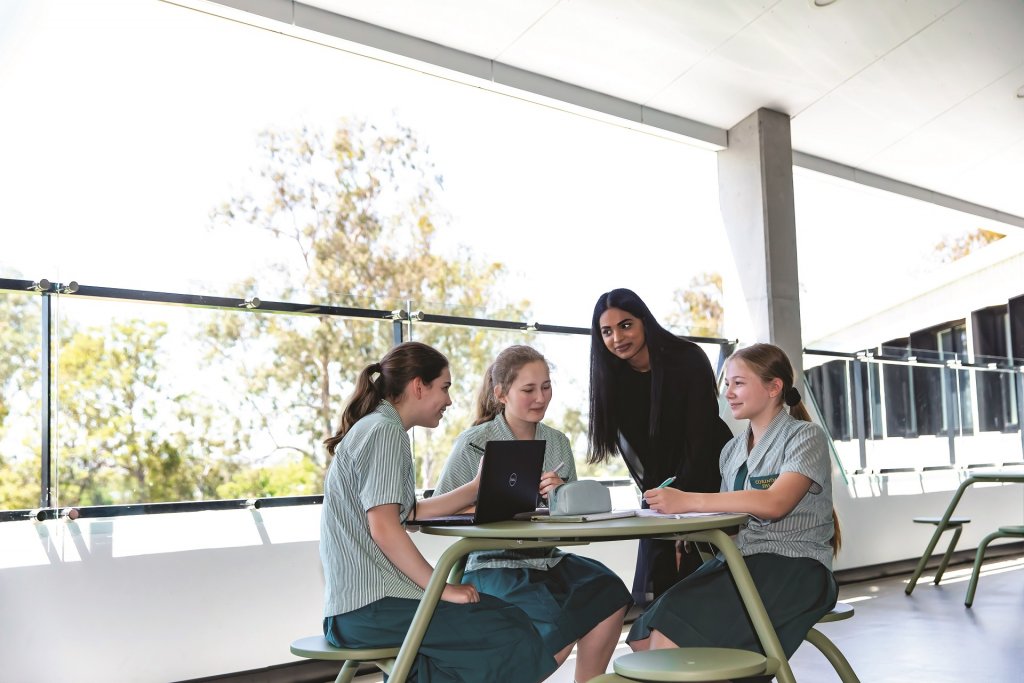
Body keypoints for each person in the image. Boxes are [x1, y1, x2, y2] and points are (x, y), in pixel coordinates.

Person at [319, 341, 556, 683]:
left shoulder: (376, 427)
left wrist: (477, 486)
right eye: (444, 387)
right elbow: (385, 528)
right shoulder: (385, 432)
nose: (449, 400)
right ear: (418, 385)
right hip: (372, 608)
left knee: (498, 627)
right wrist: (442, 589)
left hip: (360, 610)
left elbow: (411, 514)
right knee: (508, 628)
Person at [627, 343, 841, 682]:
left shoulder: (805, 437)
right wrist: (684, 525)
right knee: (643, 638)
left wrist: (689, 502)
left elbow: (774, 504)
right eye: (726, 384)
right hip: (742, 563)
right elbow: (733, 520)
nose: (729, 393)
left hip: (795, 568)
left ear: (774, 387)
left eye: (738, 383)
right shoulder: (730, 451)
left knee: (669, 643)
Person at [433, 345, 632, 683]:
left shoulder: (557, 443)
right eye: (528, 389)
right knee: (553, 618)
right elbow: (439, 510)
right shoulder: (473, 443)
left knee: (609, 591)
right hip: (492, 564)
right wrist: (492, 503)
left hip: (546, 560)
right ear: (501, 393)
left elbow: (573, 524)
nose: (541, 397)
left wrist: (560, 497)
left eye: (546, 386)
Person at [588, 287, 734, 605]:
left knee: (705, 589)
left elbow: (701, 440)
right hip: (662, 487)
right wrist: (661, 506)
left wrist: (684, 507)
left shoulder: (687, 359)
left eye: (625, 325)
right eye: (607, 332)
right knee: (661, 587)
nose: (617, 338)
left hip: (710, 475)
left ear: (644, 321)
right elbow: (641, 460)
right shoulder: (613, 377)